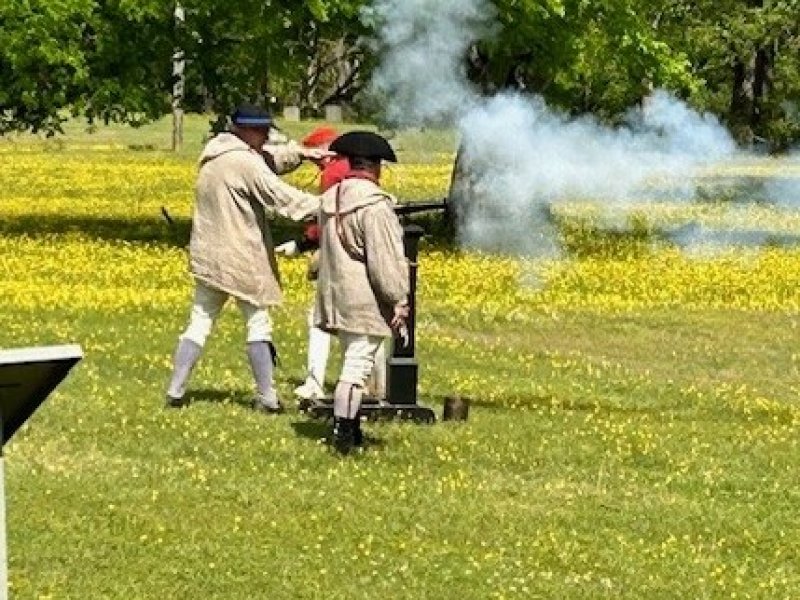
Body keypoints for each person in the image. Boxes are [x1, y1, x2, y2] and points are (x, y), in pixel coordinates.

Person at [165, 103, 329, 412]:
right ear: (246, 130)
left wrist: (301, 153)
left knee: (199, 323)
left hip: (209, 255)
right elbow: (281, 197)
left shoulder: (217, 153)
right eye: (262, 130)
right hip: (240, 258)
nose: (266, 136)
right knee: (258, 324)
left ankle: (175, 389)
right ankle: (267, 397)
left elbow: (266, 160)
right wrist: (331, 204)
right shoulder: (244, 162)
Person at [314, 131, 410, 454]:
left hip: (335, 293)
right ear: (375, 167)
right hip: (363, 298)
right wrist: (398, 298)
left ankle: (352, 429)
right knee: (355, 370)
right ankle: (343, 434)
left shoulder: (332, 199)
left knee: (350, 360)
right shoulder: (375, 207)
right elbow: (385, 262)